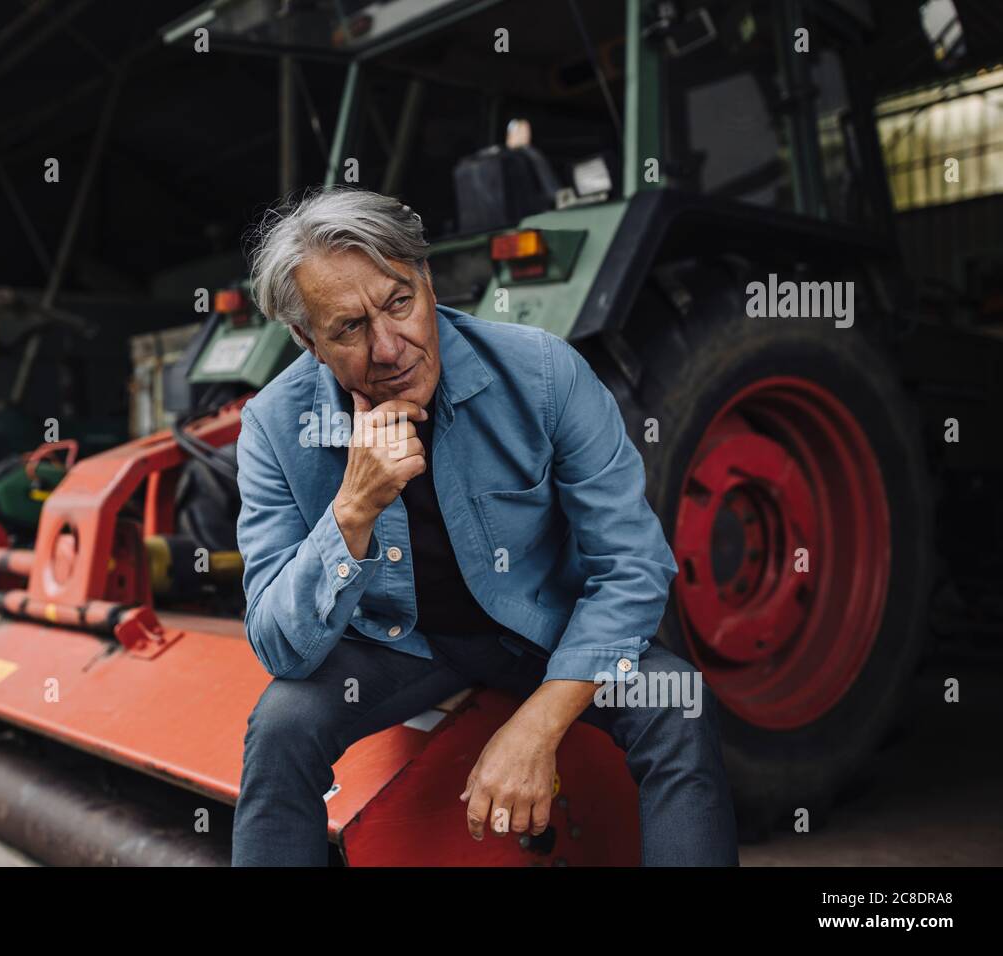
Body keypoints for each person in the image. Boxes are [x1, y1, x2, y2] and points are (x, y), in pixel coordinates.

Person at [230, 186, 738, 866]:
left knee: (680, 707)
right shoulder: (272, 428)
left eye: (399, 302)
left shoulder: (543, 373)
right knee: (281, 726)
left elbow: (633, 565)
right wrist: (351, 513)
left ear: (428, 280)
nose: (388, 347)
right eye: (349, 329)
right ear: (307, 340)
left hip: (546, 633)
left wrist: (539, 723)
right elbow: (279, 647)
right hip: (401, 647)